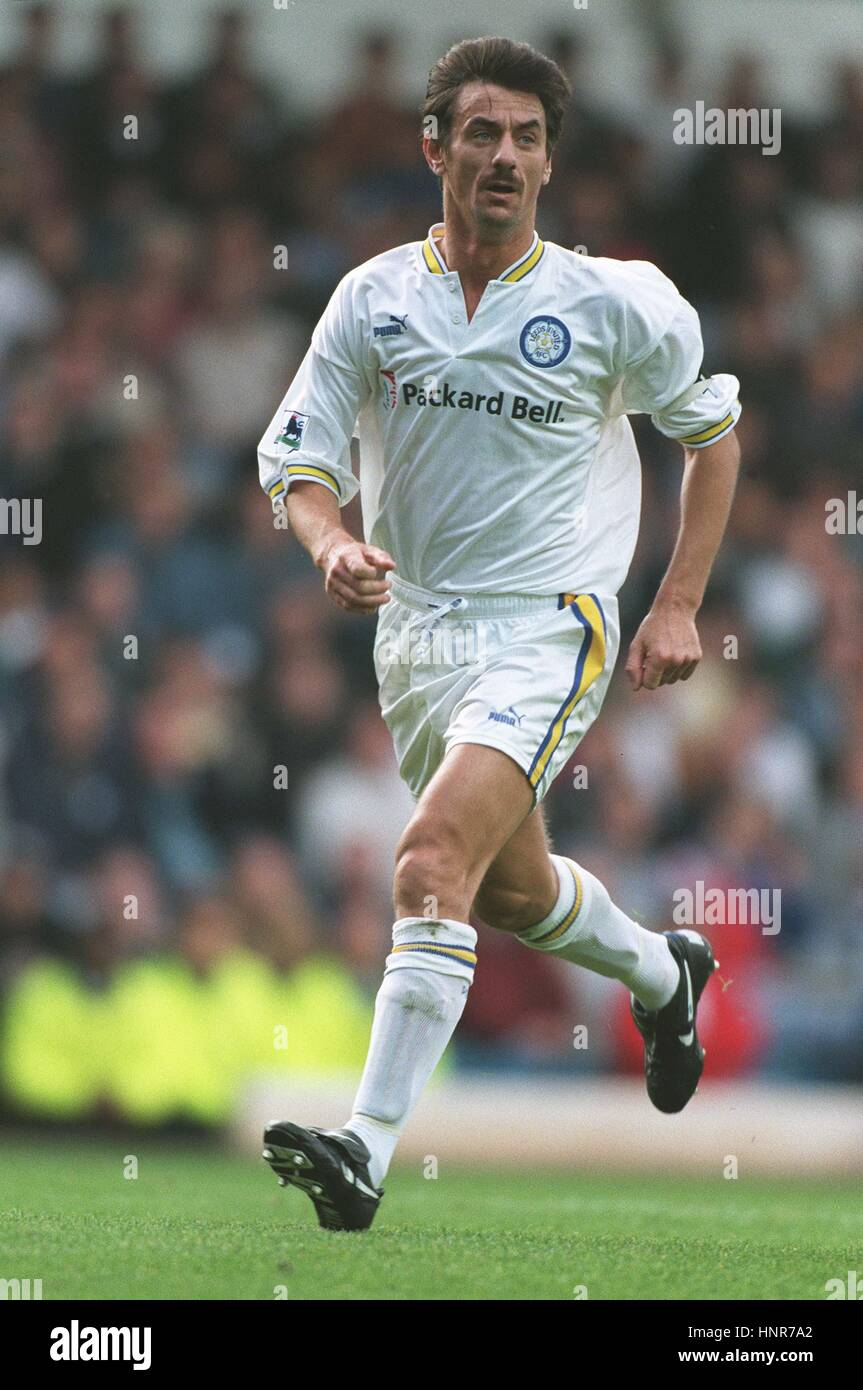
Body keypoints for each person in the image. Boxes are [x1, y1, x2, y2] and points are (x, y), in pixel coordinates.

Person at [257, 37, 741, 1232]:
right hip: (415, 637)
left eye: (526, 138)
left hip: (547, 627)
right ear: (434, 149)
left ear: (547, 163)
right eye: (480, 133)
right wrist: (328, 544)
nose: (505, 157)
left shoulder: (609, 303)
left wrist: (675, 600)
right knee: (512, 891)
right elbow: (298, 466)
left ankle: (363, 1148)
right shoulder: (371, 299)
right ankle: (661, 974)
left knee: (426, 866)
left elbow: (712, 438)